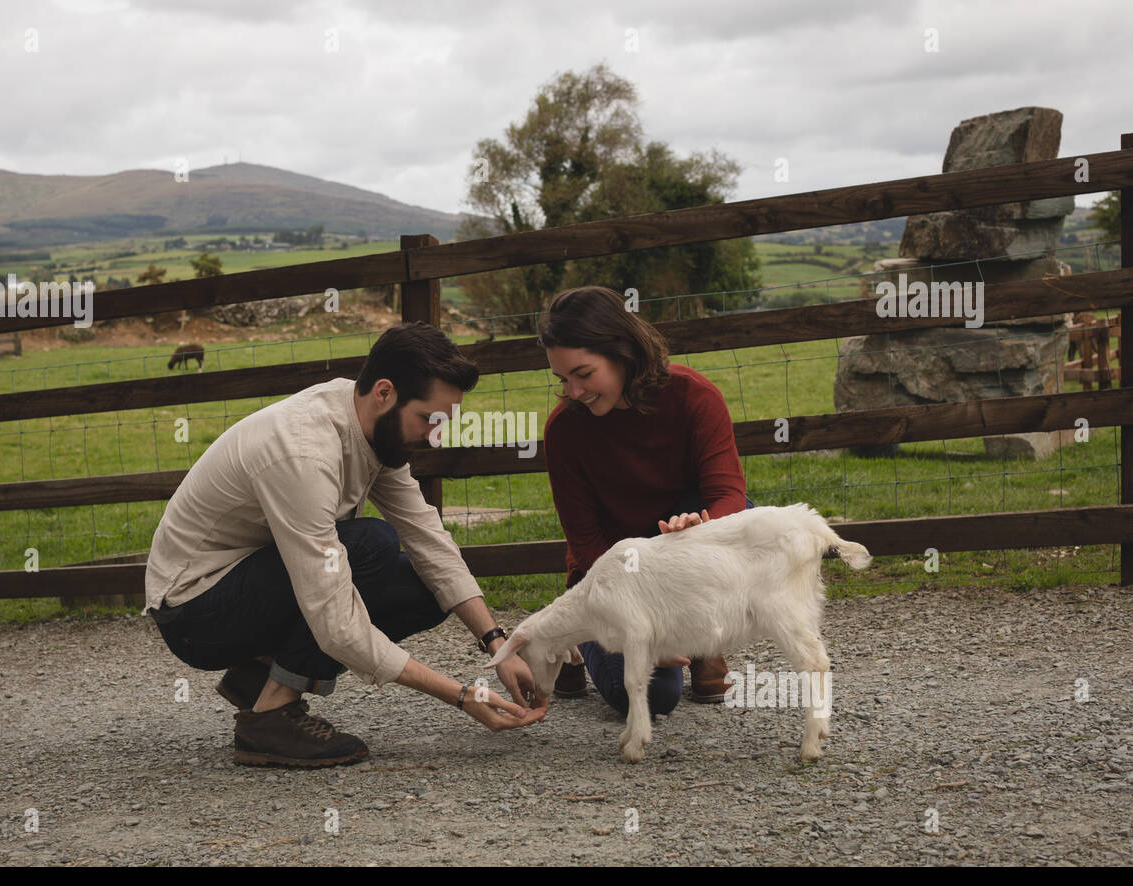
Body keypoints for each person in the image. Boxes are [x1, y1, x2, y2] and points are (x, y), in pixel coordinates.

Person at [145, 322, 542, 768]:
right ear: (385, 393)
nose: (436, 437)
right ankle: (270, 720)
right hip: (195, 612)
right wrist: (461, 695)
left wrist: (497, 644)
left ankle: (258, 678)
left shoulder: (374, 427)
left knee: (424, 589)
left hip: (245, 587)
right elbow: (334, 620)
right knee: (371, 545)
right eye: (429, 421)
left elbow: (428, 537)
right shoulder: (304, 451)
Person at [537, 286, 754, 718]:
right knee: (652, 698)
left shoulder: (695, 396)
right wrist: (642, 625)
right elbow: (585, 542)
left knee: (748, 521)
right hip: (615, 575)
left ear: (624, 351)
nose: (574, 391)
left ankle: (703, 637)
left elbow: (730, 494)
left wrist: (702, 529)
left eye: (583, 373)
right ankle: (578, 636)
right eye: (563, 379)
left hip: (685, 555)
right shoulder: (564, 430)